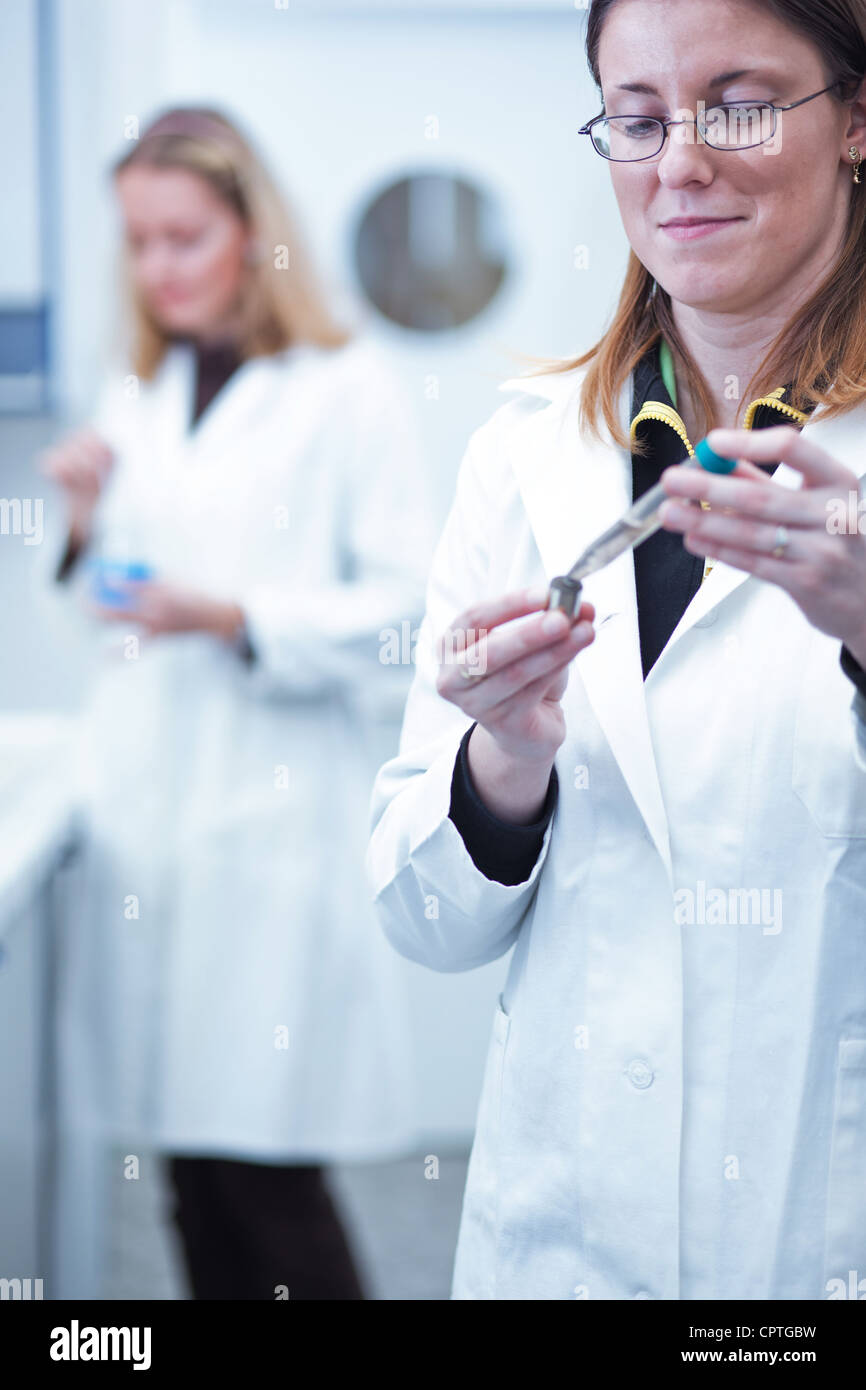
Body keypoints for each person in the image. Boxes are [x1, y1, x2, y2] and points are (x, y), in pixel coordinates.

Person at [367, 0, 866, 1300]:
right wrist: (503, 761)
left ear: (856, 119)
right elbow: (423, 917)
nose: (678, 161)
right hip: (565, 1239)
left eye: (738, 104)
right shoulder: (522, 455)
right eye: (636, 118)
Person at [43, 106, 432, 1300]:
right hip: (155, 834)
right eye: (139, 244)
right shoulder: (141, 394)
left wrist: (230, 617)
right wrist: (77, 525)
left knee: (267, 1189)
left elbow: (407, 611)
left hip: (269, 839)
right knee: (189, 1181)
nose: (157, 271)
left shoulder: (343, 387)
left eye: (183, 238)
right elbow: (109, 611)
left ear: (253, 236)